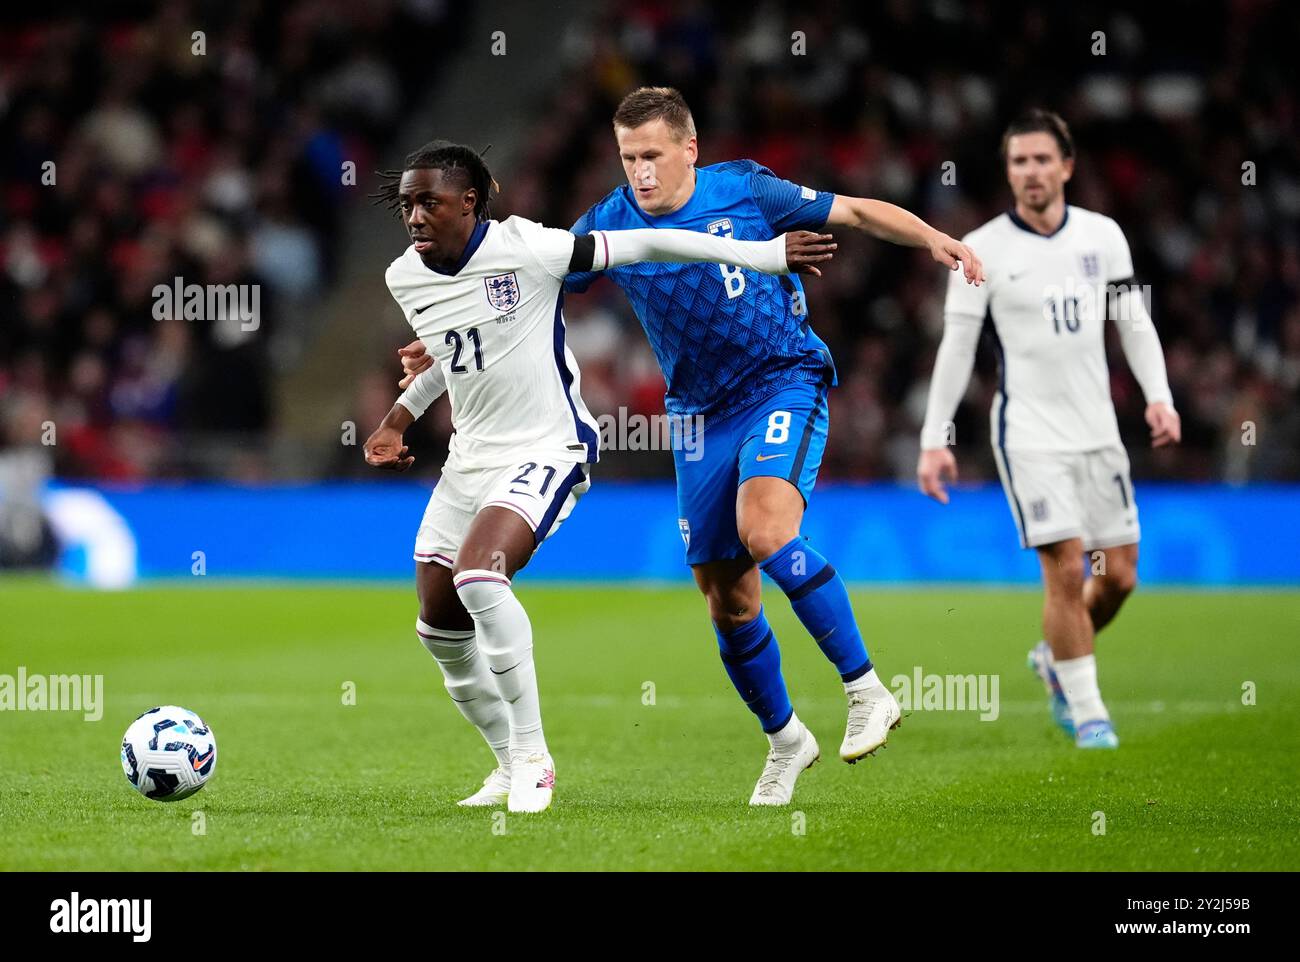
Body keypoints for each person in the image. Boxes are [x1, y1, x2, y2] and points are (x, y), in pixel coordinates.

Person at [367, 139, 837, 811]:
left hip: (548, 447)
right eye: (407, 203)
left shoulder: (528, 247)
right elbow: (455, 352)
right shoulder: (404, 276)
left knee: (479, 575)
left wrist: (764, 254)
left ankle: (534, 759)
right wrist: (397, 417)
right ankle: (503, 763)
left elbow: (646, 247)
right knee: (438, 627)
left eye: (429, 202)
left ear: (469, 203)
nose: (414, 215)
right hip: (470, 459)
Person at [917, 110, 1181, 749]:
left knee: (1118, 576)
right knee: (1066, 568)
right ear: (1008, 172)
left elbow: (1135, 324)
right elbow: (958, 345)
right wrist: (934, 436)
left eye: (1041, 160)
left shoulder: (1103, 237)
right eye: (1018, 162)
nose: (1030, 172)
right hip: (1028, 433)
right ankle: (1090, 713)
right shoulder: (980, 249)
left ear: (1066, 166)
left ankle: (1055, 658)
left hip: (1098, 430)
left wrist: (1159, 398)